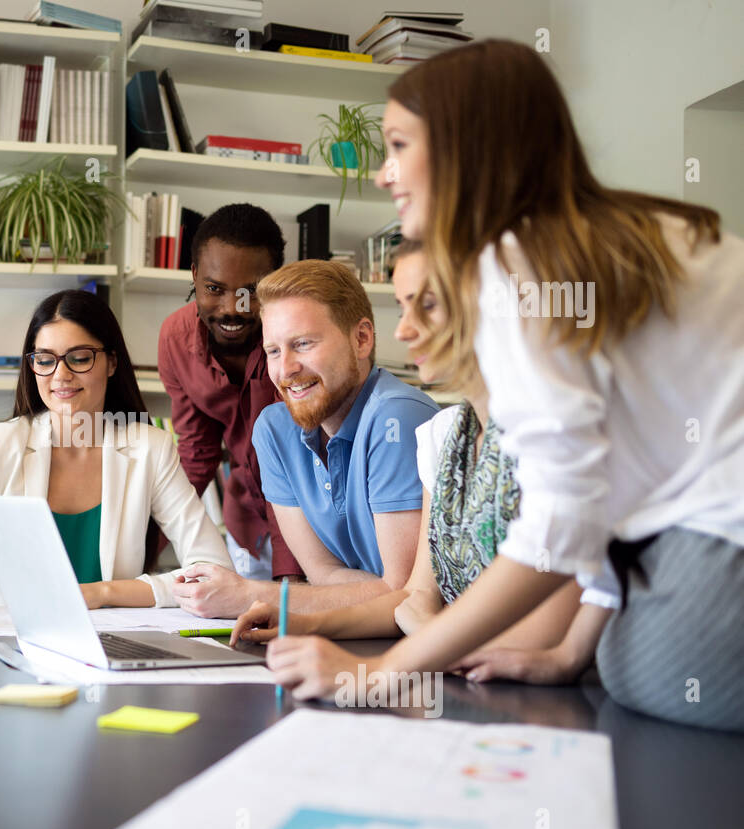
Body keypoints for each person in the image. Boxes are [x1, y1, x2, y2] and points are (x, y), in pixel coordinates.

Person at [266, 39, 744, 731]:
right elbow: (616, 496)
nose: (382, 173)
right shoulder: (631, 233)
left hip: (718, 547)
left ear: (464, 148)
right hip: (696, 534)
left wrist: (376, 674)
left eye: (398, 145)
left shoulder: (517, 267)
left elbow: (565, 523)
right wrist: (568, 651)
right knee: (610, 659)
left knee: (647, 670)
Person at [233, 240, 600, 662]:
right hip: (466, 674)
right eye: (273, 350)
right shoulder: (443, 435)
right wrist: (303, 624)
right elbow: (413, 597)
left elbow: (543, 638)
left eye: (427, 306)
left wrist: (382, 663)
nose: (404, 330)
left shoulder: (556, 435)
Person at [0, 289, 232, 627]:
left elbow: (214, 570)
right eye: (45, 360)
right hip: (9, 636)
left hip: (110, 642)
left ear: (111, 362)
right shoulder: (0, 445)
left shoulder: (150, 448)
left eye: (79, 358)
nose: (61, 376)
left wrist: (102, 593)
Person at [172, 259, 438, 619]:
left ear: (361, 339)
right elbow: (321, 574)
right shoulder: (275, 429)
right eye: (274, 351)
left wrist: (250, 595)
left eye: (303, 344)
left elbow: (405, 593)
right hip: (352, 633)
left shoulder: (397, 417)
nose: (285, 369)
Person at [157, 203, 297, 583]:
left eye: (249, 292)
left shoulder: (298, 343)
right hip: (248, 526)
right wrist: (138, 555)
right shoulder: (176, 339)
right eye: (214, 289)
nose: (231, 309)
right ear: (195, 277)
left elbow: (294, 465)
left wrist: (290, 582)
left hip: (319, 531)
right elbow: (197, 454)